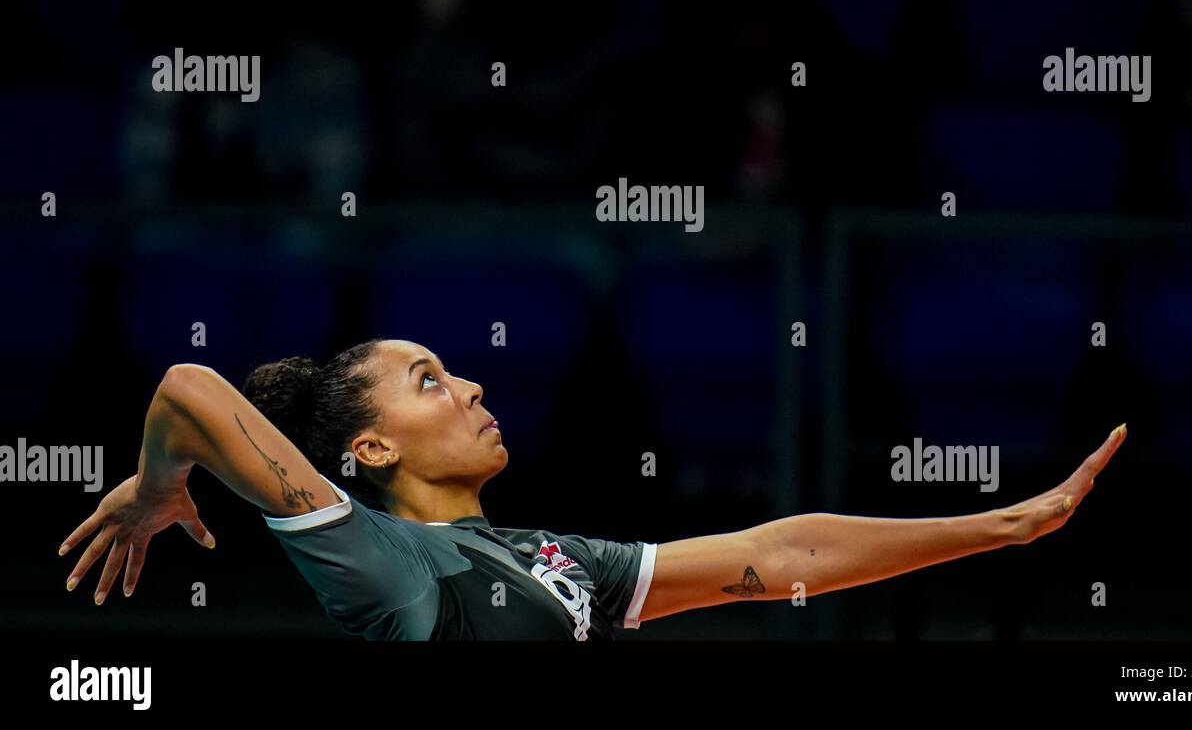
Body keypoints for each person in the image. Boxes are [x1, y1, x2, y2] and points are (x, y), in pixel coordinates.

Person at [58, 339, 1127, 639]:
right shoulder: (380, 560)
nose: (471, 382)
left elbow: (785, 556)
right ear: (373, 449)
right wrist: (158, 487)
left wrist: (1007, 522)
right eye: (429, 379)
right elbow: (188, 387)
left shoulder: (562, 562)